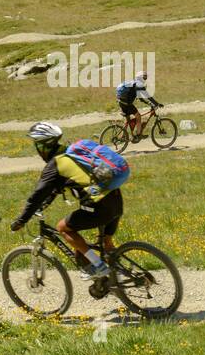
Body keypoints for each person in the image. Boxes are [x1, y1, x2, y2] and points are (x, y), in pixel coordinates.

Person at [11, 122, 125, 296]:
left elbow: (38, 194)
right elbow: (56, 188)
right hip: (116, 201)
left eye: (37, 145)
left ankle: (101, 269)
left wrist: (21, 220)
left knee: (63, 228)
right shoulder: (73, 153)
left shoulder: (55, 165)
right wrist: (45, 204)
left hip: (100, 207)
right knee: (96, 247)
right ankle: (116, 280)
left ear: (43, 146)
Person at [115, 71, 161, 137]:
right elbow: (148, 96)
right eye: (144, 77)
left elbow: (140, 98)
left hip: (121, 102)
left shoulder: (133, 84)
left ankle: (123, 137)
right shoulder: (139, 85)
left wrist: (148, 103)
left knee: (128, 119)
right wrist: (157, 104)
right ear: (141, 78)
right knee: (138, 116)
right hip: (127, 104)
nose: (145, 79)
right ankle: (138, 134)